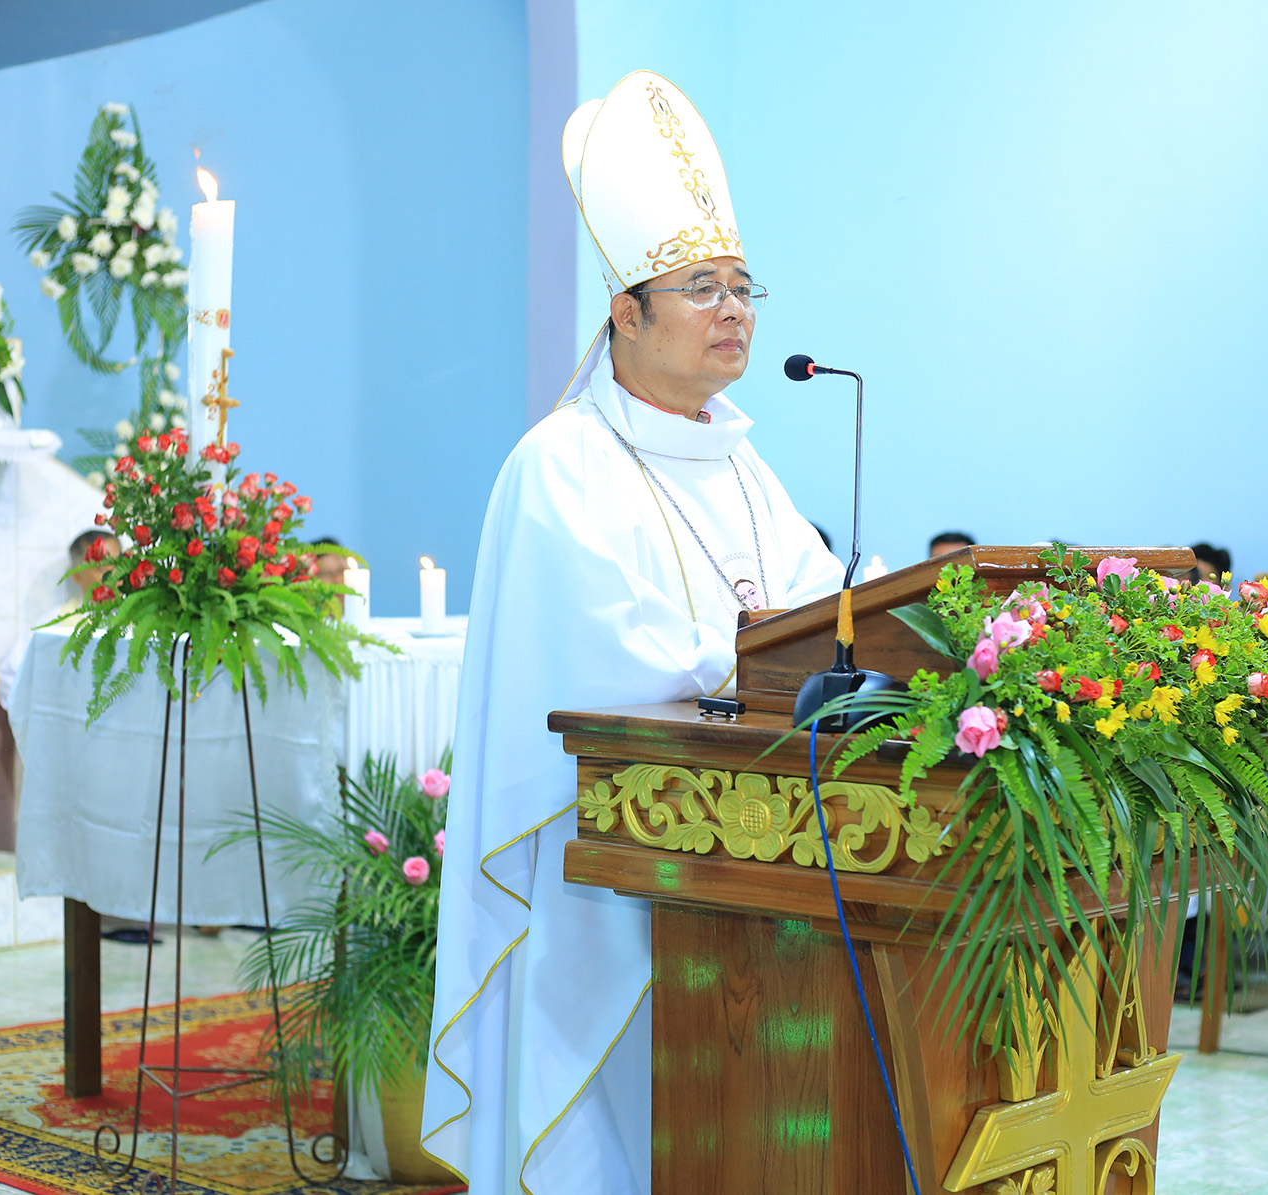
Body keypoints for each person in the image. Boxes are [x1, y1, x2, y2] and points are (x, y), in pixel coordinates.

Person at [422, 71, 844, 1194]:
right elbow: (608, 649)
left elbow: (820, 618)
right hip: (607, 872)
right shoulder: (558, 465)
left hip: (740, 866)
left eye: (743, 288)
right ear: (624, 311)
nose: (734, 311)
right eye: (700, 287)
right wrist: (754, 666)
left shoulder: (744, 464)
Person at [0, 529, 119, 709]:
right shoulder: (56, 624)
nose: (113, 577)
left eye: (118, 566)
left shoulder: (145, 623)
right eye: (101, 569)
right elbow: (10, 675)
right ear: (77, 574)